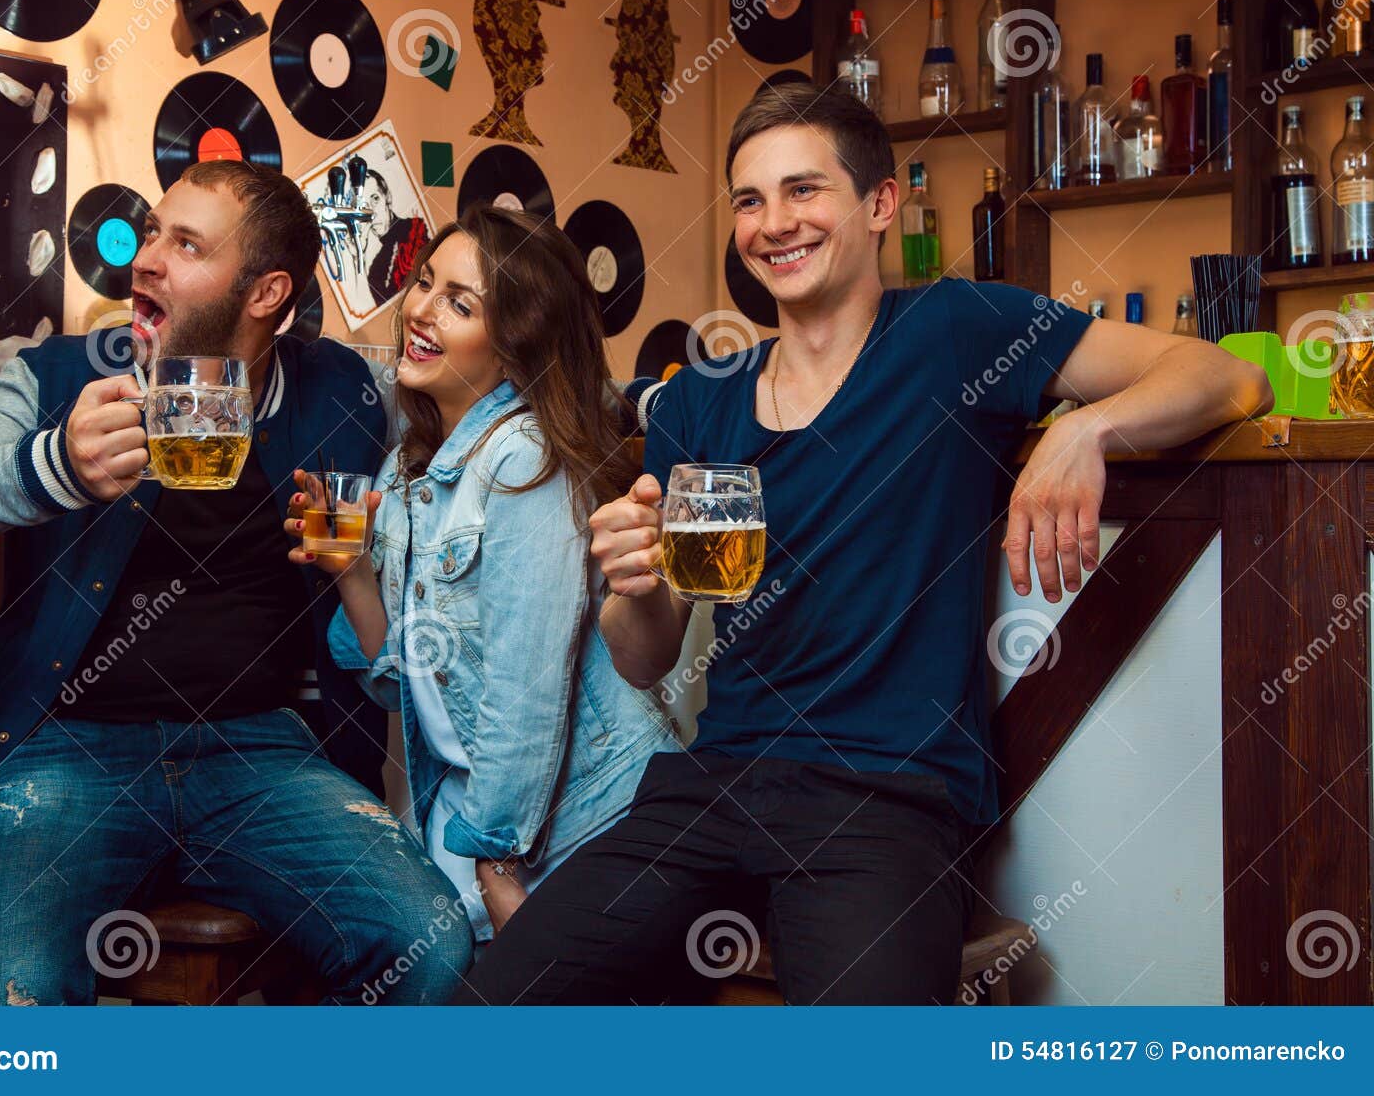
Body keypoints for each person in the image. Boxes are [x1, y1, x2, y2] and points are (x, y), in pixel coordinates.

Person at [457, 82, 1274, 1004]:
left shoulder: (957, 333)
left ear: (880, 204)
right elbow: (646, 658)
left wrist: (1088, 431)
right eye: (752, 201)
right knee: (491, 1004)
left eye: (805, 190)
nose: (774, 223)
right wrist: (633, 583)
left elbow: (1227, 375)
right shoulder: (698, 400)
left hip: (887, 800)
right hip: (712, 788)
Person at [0, 159, 472, 1005]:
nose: (147, 259)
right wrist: (52, 466)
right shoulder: (58, 377)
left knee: (431, 947)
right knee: (5, 1002)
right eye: (153, 232)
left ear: (265, 293)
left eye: (185, 244)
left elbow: (494, 390)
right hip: (65, 752)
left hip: (262, 753)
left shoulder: (344, 390)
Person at [287, 205, 683, 943]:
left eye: (459, 303)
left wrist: (498, 866)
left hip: (583, 824)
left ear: (514, 347)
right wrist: (350, 572)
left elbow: (523, 696)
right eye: (425, 283)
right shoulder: (406, 475)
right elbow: (404, 678)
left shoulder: (523, 458)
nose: (422, 310)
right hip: (473, 821)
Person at [360, 168, 430, 307]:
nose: (370, 214)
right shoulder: (375, 272)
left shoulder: (416, 227)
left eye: (375, 199)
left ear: (388, 198)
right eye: (361, 207)